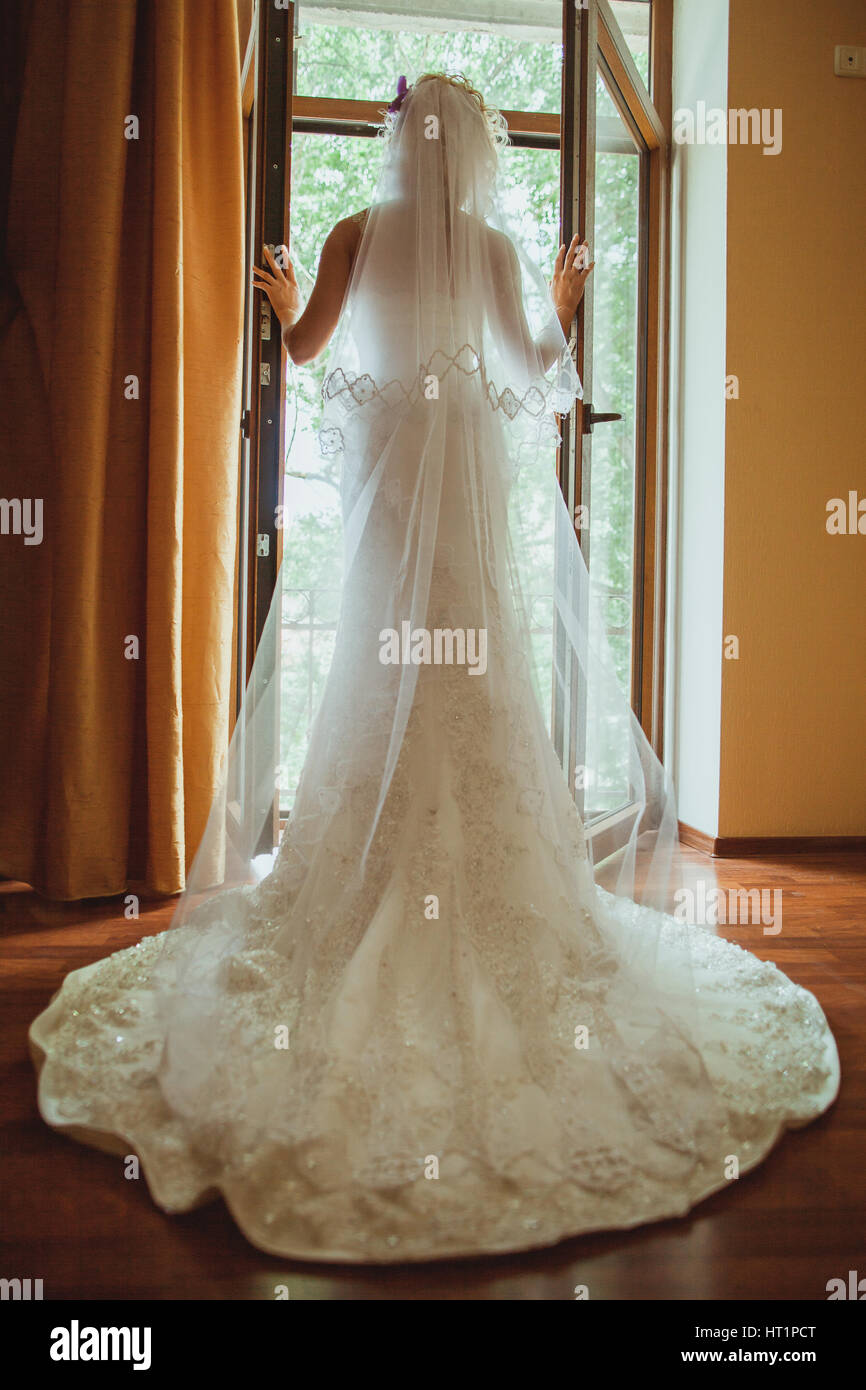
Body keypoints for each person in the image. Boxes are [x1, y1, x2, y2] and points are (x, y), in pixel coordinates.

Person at [30, 73, 839, 1264]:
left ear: (402, 144)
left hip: (391, 516)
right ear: (474, 157)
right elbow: (529, 381)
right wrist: (560, 302)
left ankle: (359, 885)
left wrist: (289, 299)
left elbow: (310, 357)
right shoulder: (497, 251)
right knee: (476, 681)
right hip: (458, 535)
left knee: (376, 680)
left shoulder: (357, 232)